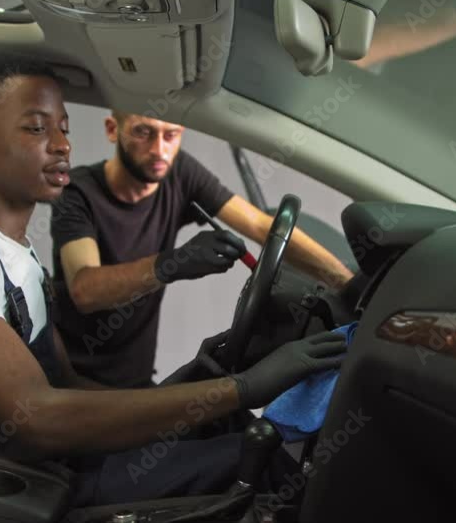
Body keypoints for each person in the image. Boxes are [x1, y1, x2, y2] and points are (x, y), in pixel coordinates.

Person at [0, 51, 348, 507]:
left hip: (37, 470)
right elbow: (37, 417)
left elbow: (65, 384)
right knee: (265, 461)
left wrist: (191, 384)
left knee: (227, 430)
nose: (62, 145)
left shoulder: (17, 256)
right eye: (37, 128)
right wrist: (240, 389)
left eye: (64, 129)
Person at [50, 111, 356, 388]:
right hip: (77, 382)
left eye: (171, 135)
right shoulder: (78, 193)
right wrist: (171, 263)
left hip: (136, 382)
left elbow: (262, 226)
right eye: (143, 132)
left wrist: (349, 286)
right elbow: (85, 290)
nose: (159, 149)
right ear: (112, 129)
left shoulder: (177, 172)